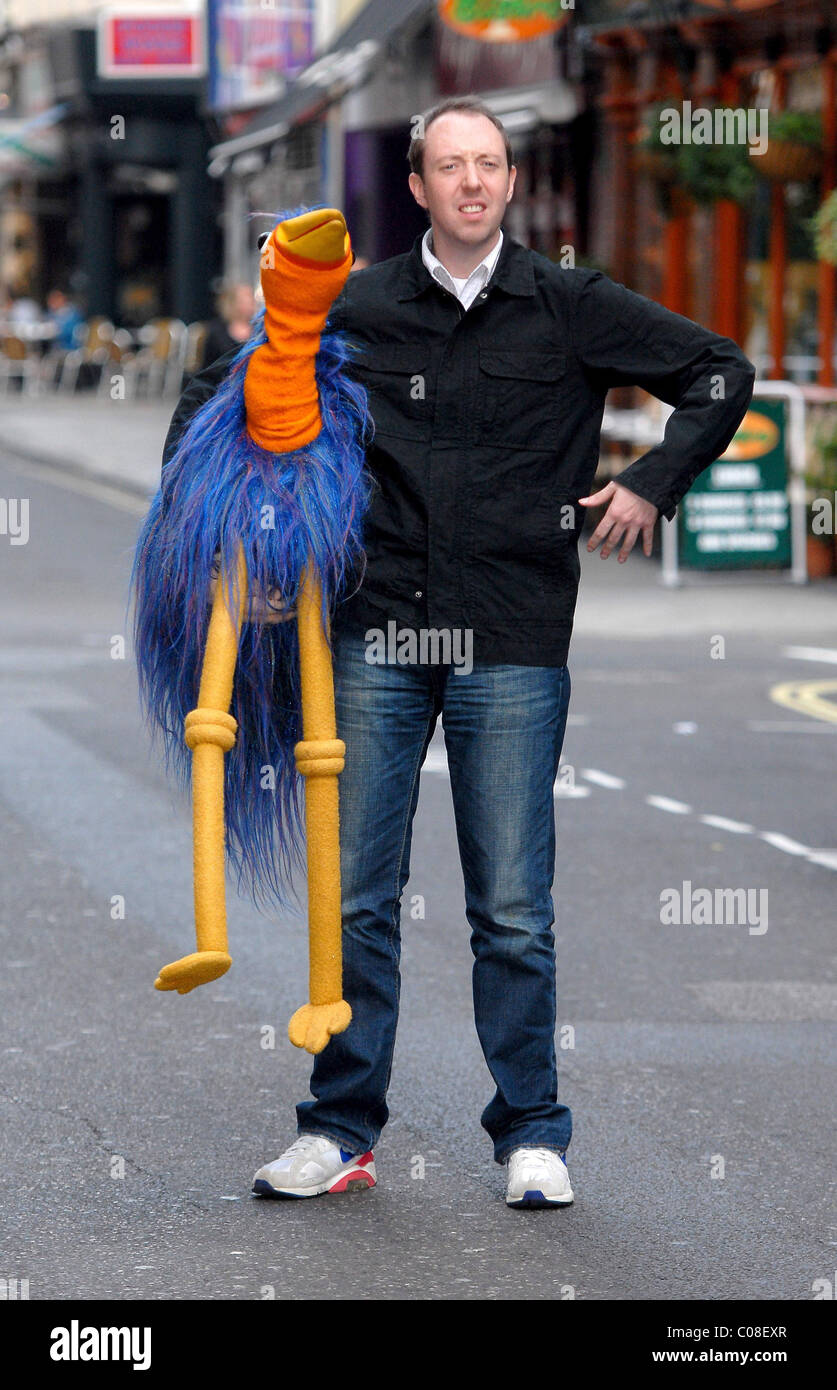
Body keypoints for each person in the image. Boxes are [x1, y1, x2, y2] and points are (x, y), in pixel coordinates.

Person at [161, 96, 755, 1208]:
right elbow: (225, 398)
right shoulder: (362, 300)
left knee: (513, 908)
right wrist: (242, 536)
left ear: (511, 183)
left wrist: (649, 482)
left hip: (516, 638)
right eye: (451, 165)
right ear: (420, 186)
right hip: (376, 633)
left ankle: (531, 1130)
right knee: (359, 899)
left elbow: (721, 370)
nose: (473, 181)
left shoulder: (569, 304)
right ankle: (338, 1130)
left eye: (490, 163)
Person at [198, 282, 257, 371]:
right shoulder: (216, 331)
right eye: (244, 300)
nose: (250, 304)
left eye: (251, 300)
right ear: (233, 303)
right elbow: (208, 368)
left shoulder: (260, 330)